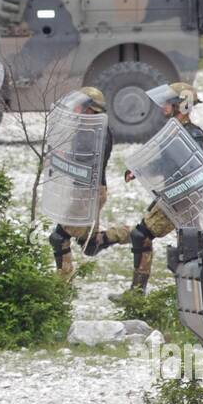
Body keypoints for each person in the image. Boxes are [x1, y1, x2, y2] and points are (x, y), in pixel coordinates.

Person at [96, 83, 203, 299]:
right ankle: (183, 294)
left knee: (147, 236)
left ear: (182, 105)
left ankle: (140, 294)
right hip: (172, 195)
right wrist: (139, 170)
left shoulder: (193, 134)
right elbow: (163, 161)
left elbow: (194, 166)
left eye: (168, 103)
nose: (163, 106)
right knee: (189, 246)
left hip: (183, 198)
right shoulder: (174, 131)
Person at [47, 87, 114, 280]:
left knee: (59, 237)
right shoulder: (92, 127)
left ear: (90, 108)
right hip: (88, 191)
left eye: (80, 105)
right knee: (91, 245)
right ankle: (131, 233)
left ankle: (62, 282)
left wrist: (63, 157)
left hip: (88, 192)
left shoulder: (94, 130)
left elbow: (86, 160)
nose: (76, 108)